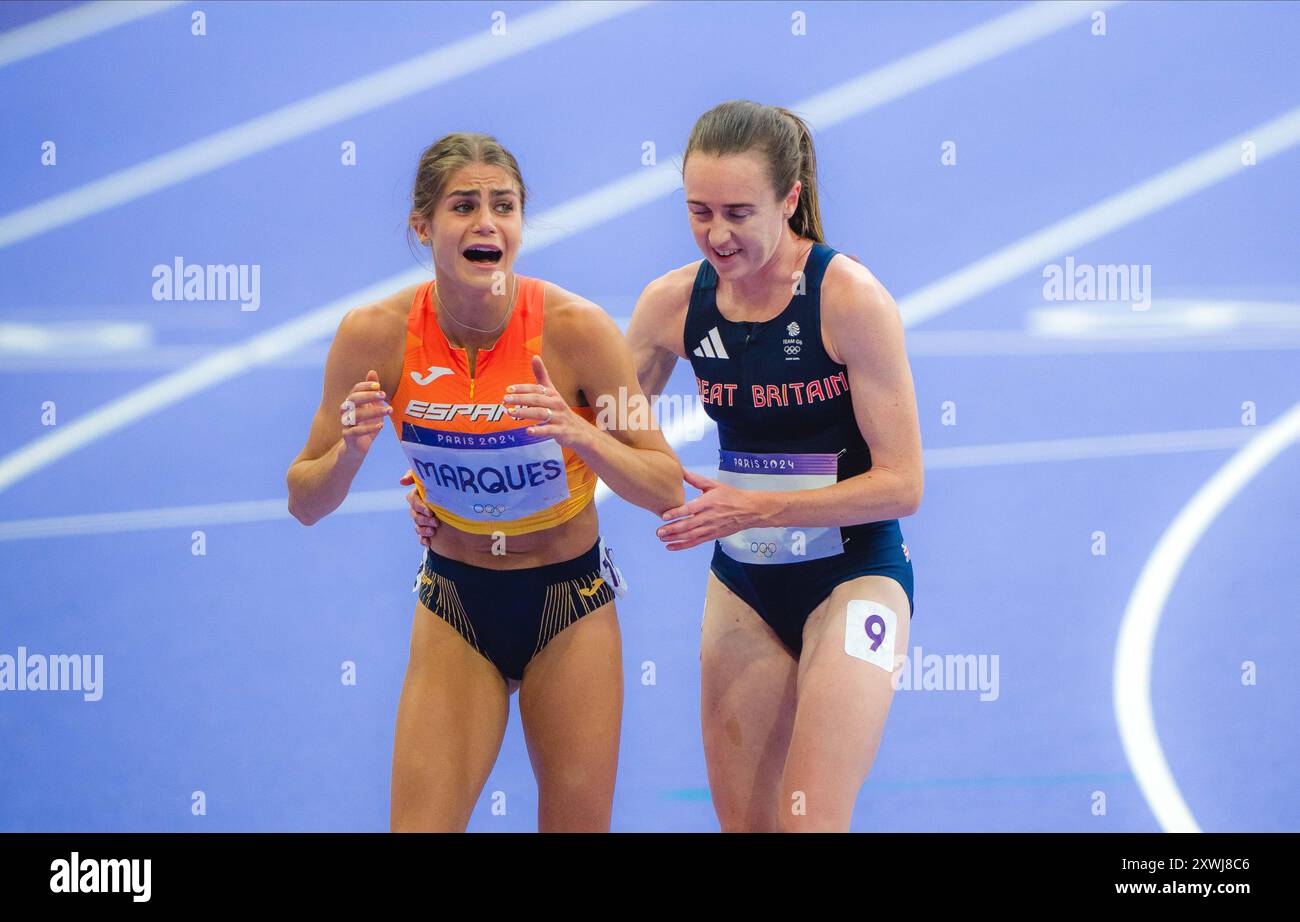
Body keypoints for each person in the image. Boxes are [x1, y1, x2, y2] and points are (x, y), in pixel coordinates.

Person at [289, 131, 683, 833]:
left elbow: (663, 486)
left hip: (571, 603)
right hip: (456, 603)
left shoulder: (576, 332)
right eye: (462, 205)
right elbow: (304, 501)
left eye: (504, 205)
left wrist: (580, 433)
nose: (486, 222)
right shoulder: (374, 335)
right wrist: (349, 454)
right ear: (422, 226)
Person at [632, 100, 922, 832]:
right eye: (699, 212)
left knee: (809, 822)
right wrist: (440, 500)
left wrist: (760, 507)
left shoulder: (847, 298)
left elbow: (903, 484)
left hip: (855, 581)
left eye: (738, 212)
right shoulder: (672, 306)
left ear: (790, 200)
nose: (716, 235)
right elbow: (606, 430)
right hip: (746, 586)